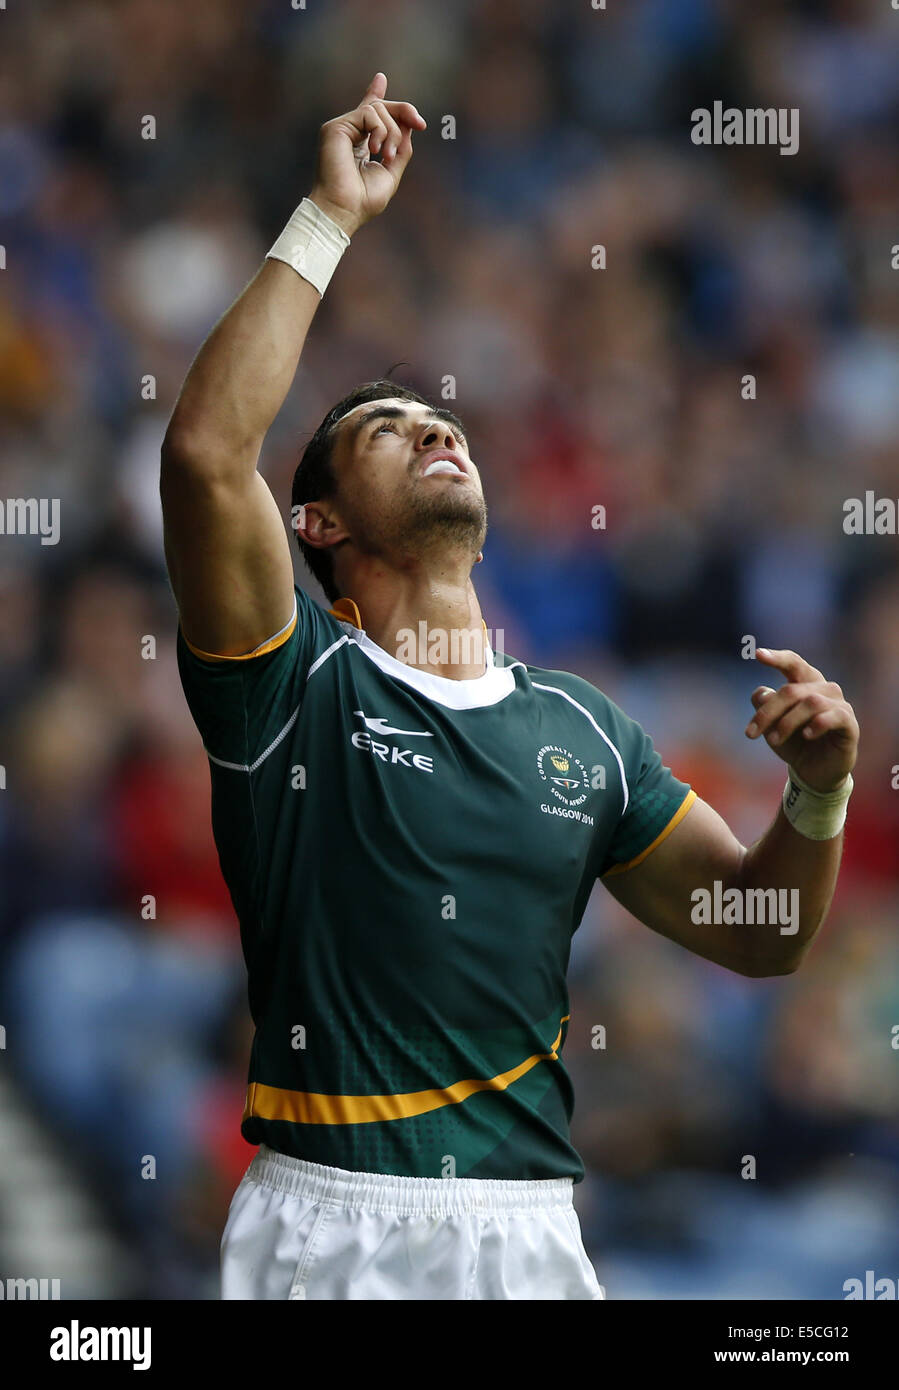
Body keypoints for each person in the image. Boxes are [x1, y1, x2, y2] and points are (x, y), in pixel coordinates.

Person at [160, 73, 859, 1301]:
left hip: (532, 1236)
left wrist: (816, 795)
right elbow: (211, 455)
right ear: (314, 523)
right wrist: (329, 217)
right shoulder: (293, 687)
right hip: (331, 1226)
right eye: (387, 429)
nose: (436, 432)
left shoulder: (581, 728)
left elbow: (762, 937)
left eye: (443, 425)